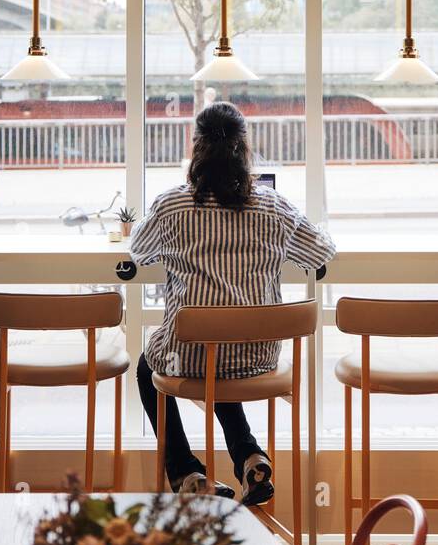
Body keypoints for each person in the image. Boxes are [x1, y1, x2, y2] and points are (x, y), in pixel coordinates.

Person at [131, 101, 335, 500]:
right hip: (257, 356)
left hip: (190, 354)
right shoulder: (273, 206)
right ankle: (248, 456)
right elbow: (320, 253)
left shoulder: (172, 205)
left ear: (195, 150)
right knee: (221, 360)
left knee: (152, 367)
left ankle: (187, 474)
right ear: (245, 150)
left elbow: (139, 251)